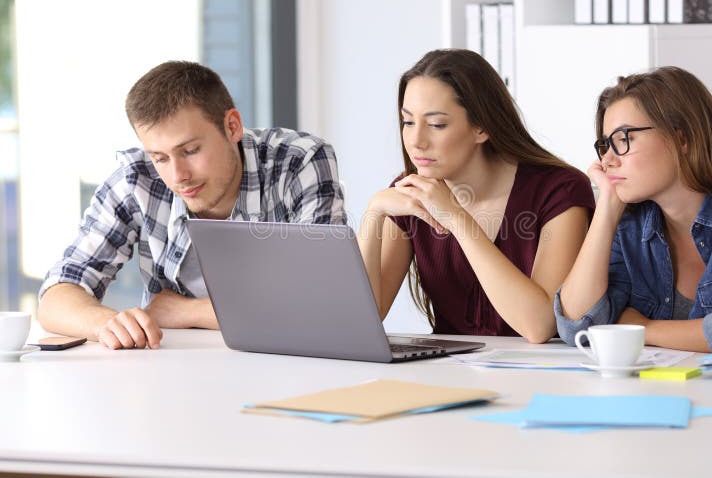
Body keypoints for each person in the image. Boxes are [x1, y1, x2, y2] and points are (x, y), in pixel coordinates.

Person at [39, 61, 346, 350]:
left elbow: (323, 303)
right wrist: (106, 323)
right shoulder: (136, 179)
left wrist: (187, 311)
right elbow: (56, 296)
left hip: (285, 365)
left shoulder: (299, 161)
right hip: (175, 365)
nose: (178, 176)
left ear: (232, 126)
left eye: (190, 150)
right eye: (160, 158)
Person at [556, 66, 712, 352]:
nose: (607, 160)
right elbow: (577, 327)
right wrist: (607, 209)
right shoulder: (631, 219)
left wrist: (642, 329)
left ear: (681, 138)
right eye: (605, 145)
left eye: (623, 139)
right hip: (670, 380)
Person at [357, 49, 594, 342]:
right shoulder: (410, 194)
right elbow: (361, 322)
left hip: (539, 367)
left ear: (481, 127)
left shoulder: (560, 191)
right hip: (447, 368)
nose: (416, 141)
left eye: (436, 124)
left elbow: (539, 325)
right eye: (408, 122)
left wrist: (455, 217)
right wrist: (374, 213)